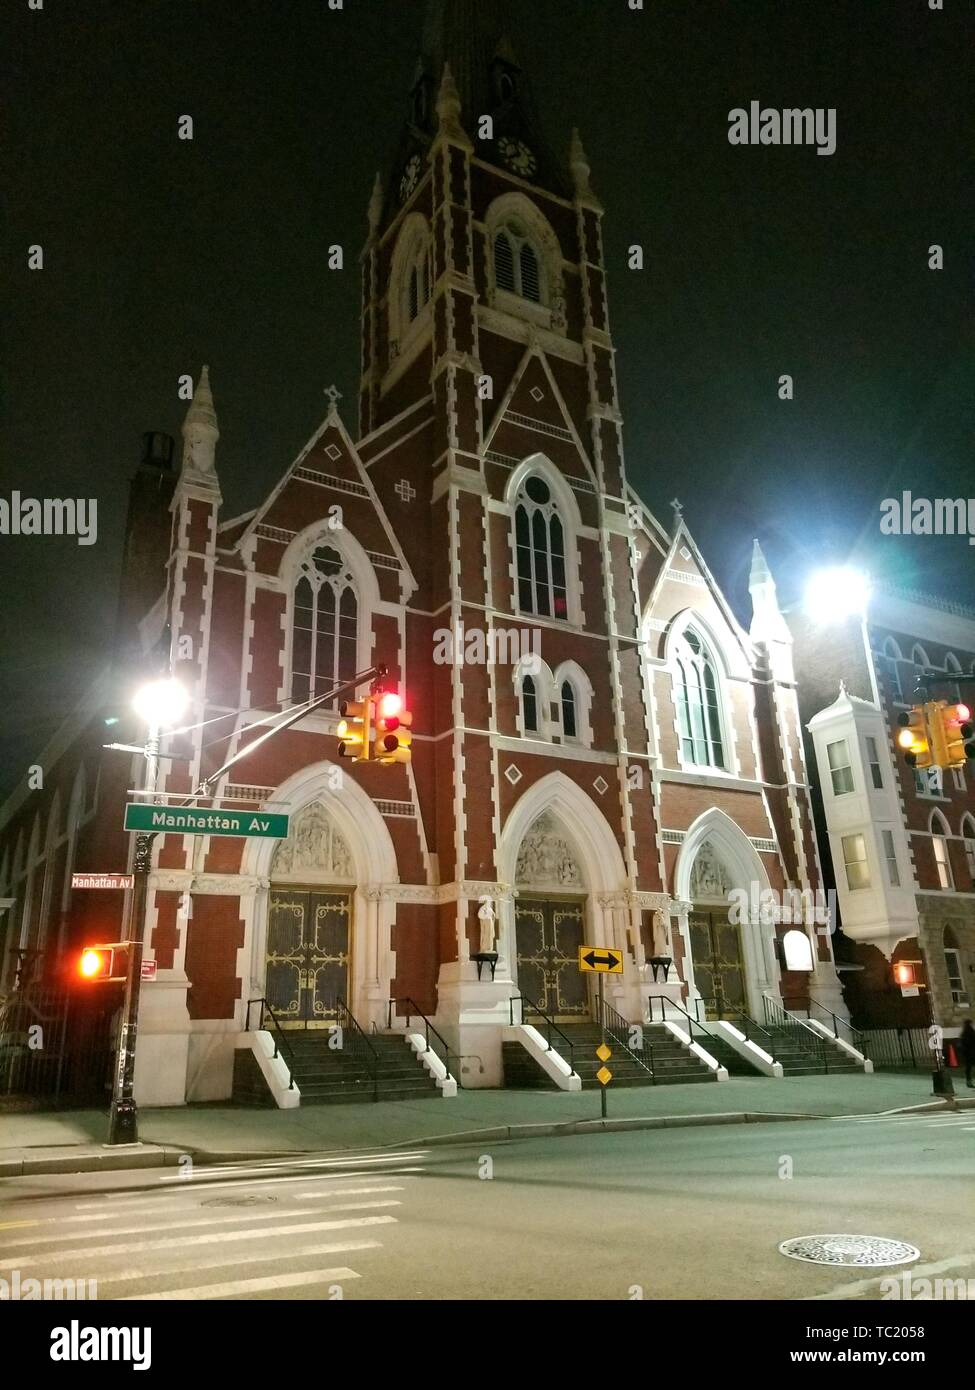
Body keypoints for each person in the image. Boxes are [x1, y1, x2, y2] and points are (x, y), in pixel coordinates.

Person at [960, 1019, 975, 1089]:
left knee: (968, 1068)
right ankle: (969, 1081)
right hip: (972, 1052)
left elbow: (962, 1043)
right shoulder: (971, 1031)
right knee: (970, 1067)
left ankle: (969, 1081)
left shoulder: (963, 1033)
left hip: (967, 1053)